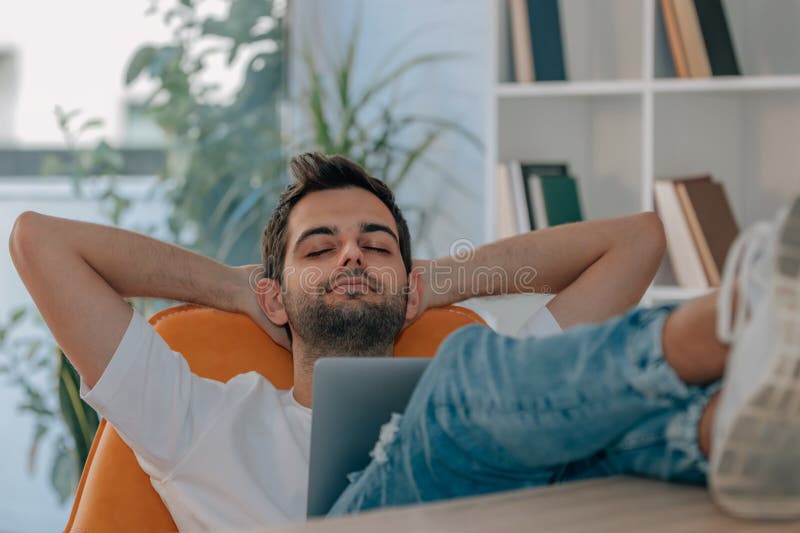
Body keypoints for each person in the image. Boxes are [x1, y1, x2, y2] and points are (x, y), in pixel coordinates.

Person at [8, 152, 798, 529]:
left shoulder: (507, 404)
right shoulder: (199, 421)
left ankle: (733, 423)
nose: (351, 254)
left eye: (376, 246)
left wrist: (439, 281)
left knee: (590, 436)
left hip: (472, 465)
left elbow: (637, 240)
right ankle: (744, 313)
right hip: (410, 452)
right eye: (320, 248)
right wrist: (239, 290)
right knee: (456, 385)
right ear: (277, 292)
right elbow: (39, 242)